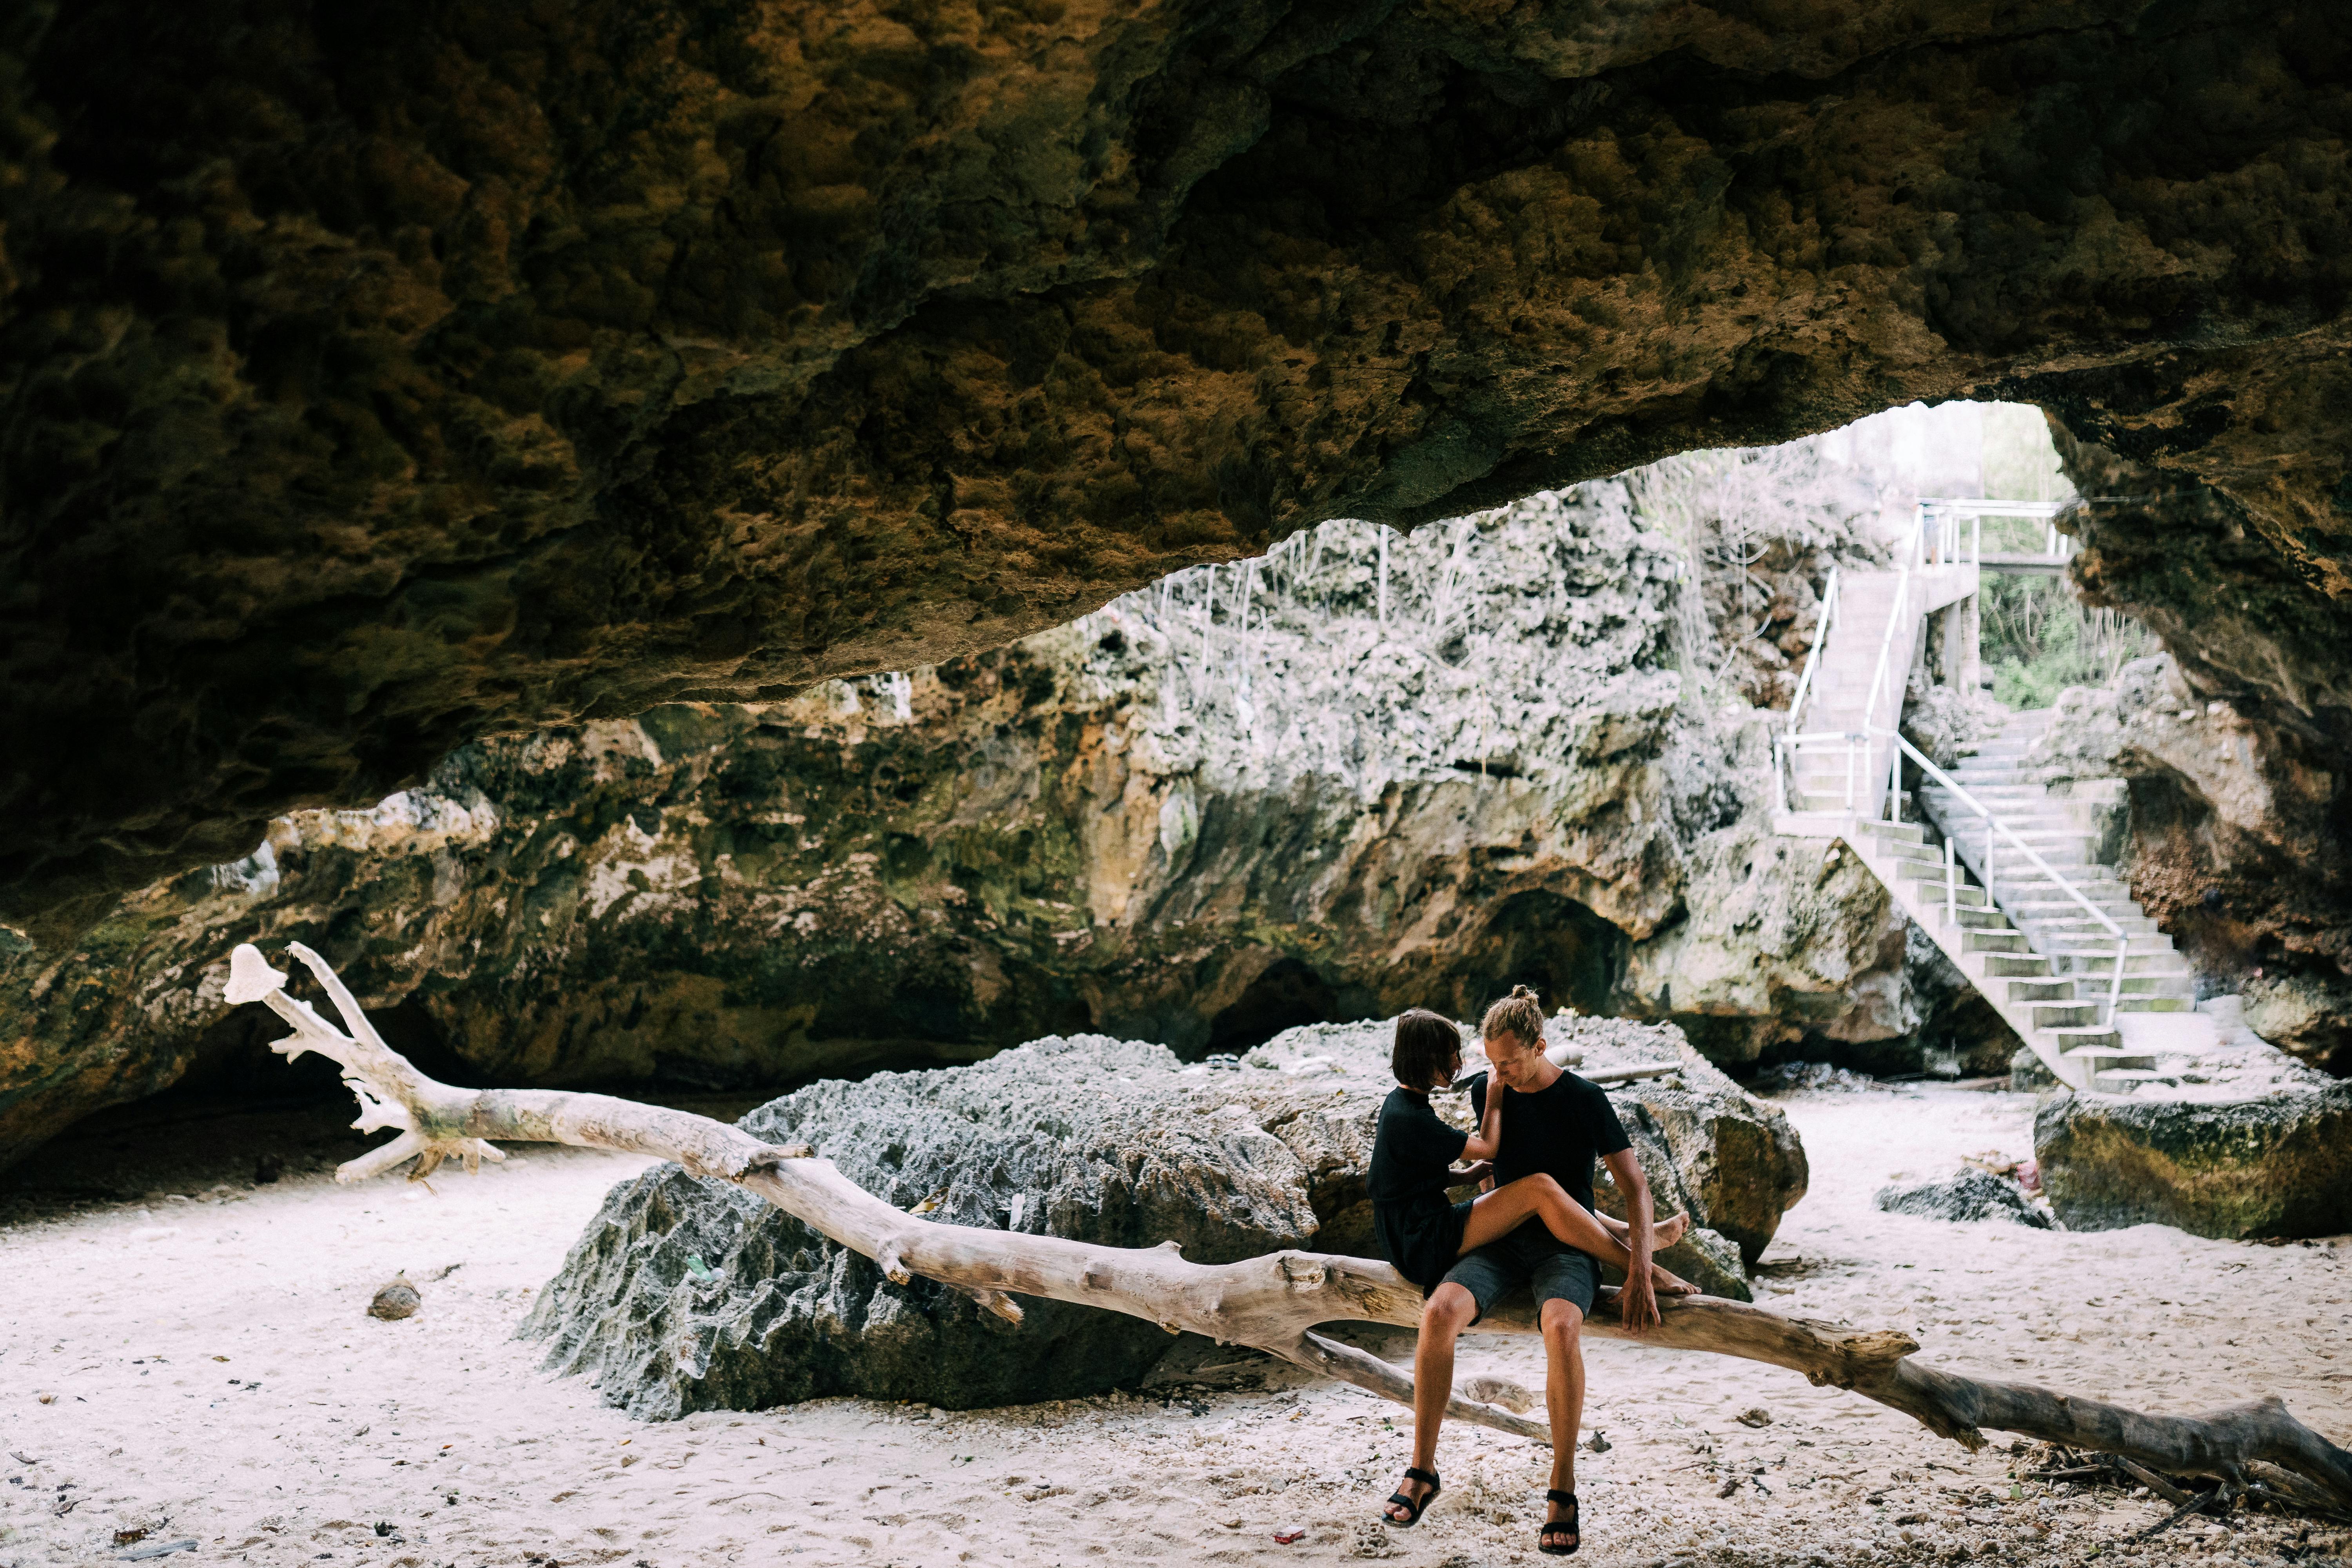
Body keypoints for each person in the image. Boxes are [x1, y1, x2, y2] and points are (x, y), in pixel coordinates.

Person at [1368, 1005, 1695, 1539]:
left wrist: (1637, 1272)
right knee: (1438, 1313)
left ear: (1540, 1048)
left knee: (1562, 1326)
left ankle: (1562, 1485)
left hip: (1568, 1248)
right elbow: (1491, 1173)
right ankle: (1422, 1471)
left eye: (1511, 1063)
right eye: (1492, 1063)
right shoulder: (1487, 1091)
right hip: (1501, 1242)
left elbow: (1637, 1186)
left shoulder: (1586, 1099)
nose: (1500, 1074)